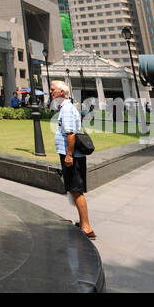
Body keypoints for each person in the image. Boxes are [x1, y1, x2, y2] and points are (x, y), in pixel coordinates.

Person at [51, 79, 95, 239]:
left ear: (62, 92)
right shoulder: (65, 108)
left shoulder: (67, 109)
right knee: (74, 189)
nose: (51, 92)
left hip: (72, 157)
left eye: (53, 89)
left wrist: (69, 155)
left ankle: (87, 227)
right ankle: (83, 222)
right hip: (71, 155)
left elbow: (71, 135)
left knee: (76, 190)